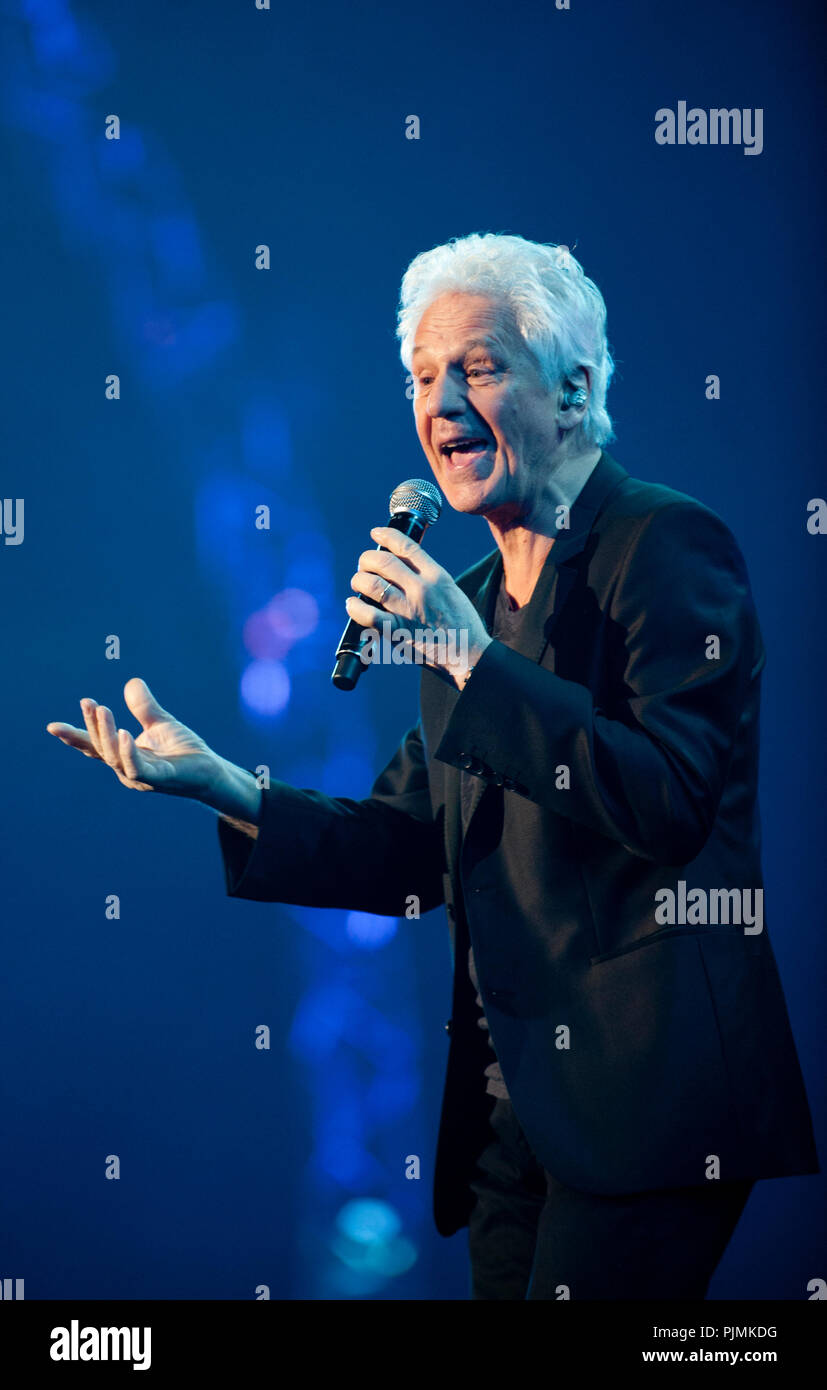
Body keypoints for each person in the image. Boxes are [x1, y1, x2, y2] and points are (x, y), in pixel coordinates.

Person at [47, 232, 818, 1300]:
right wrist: (229, 786)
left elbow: (673, 799)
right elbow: (414, 851)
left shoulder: (664, 547)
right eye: (420, 376)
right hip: (511, 1123)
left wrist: (464, 654)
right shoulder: (466, 595)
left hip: (646, 1107)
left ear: (572, 385)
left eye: (478, 366)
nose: (440, 400)